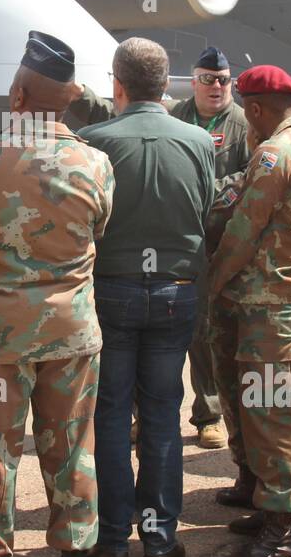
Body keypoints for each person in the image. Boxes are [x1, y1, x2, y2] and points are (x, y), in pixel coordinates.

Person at [0, 31, 114, 557]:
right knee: (70, 447)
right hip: (71, 334)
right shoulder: (95, 163)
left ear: (19, 94)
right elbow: (98, 230)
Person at [67, 44, 249, 450]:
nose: (215, 86)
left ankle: (209, 415)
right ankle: (142, 424)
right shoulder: (180, 117)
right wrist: (78, 94)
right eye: (206, 79)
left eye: (222, 80)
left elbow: (248, 179)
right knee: (150, 377)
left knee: (201, 340)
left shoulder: (240, 124)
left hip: (210, 244)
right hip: (177, 246)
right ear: (187, 83)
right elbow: (122, 114)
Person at [78, 38, 214, 557]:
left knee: (110, 413)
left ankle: (112, 538)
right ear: (167, 85)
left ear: (117, 84)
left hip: (112, 289)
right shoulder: (199, 141)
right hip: (175, 292)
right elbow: (206, 210)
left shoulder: (95, 141)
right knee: (162, 415)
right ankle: (158, 539)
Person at [206, 65, 291, 557]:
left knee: (270, 406)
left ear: (256, 110)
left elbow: (241, 231)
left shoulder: (276, 152)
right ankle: (266, 500)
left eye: (247, 111)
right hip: (285, 294)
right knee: (266, 399)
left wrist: (210, 283)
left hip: (270, 300)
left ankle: (281, 528)